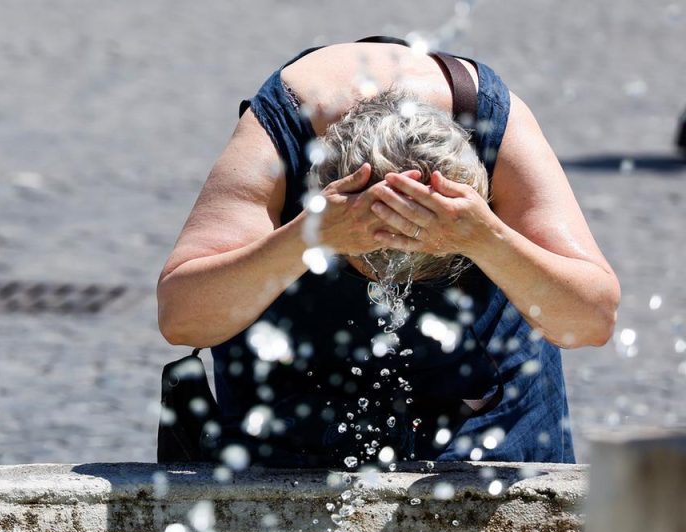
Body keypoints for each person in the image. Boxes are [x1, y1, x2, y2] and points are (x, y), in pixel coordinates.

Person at [156, 38, 620, 467]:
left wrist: (487, 239)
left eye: (438, 262)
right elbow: (181, 317)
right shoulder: (280, 132)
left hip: (491, 407)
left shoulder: (498, 127)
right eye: (365, 262)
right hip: (294, 406)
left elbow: (592, 320)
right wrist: (307, 237)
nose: (392, 284)